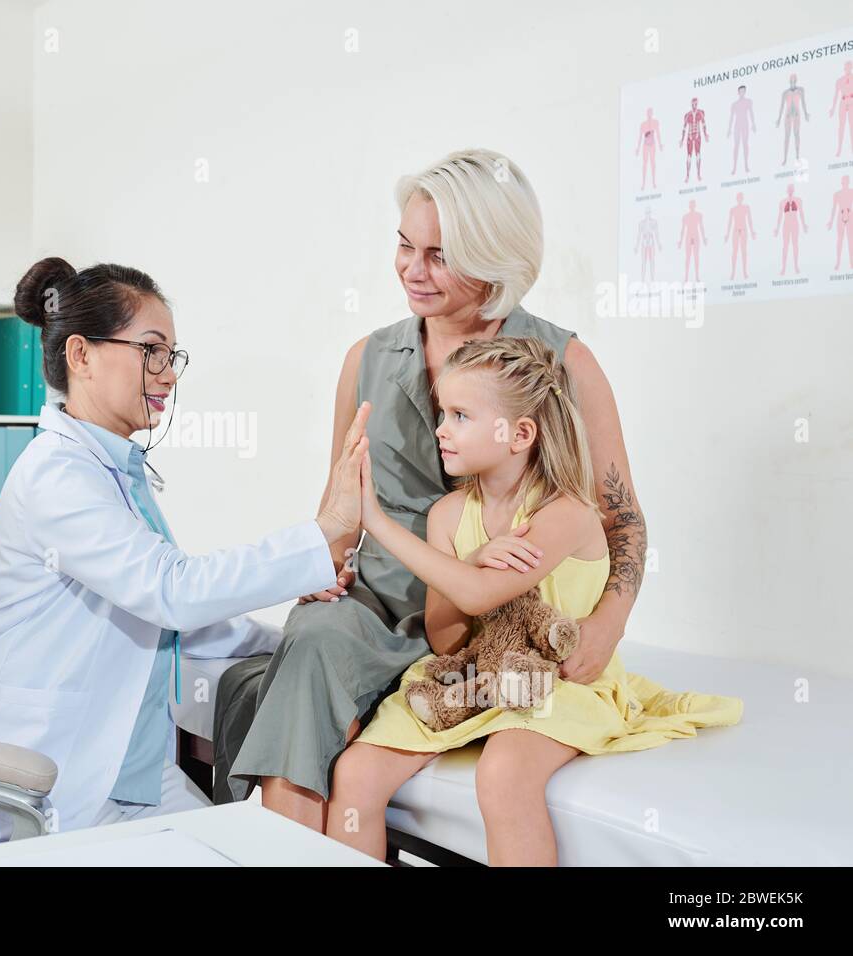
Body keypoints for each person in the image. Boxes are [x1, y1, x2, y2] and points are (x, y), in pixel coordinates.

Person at [220, 148, 651, 837]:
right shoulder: (365, 359)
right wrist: (322, 562)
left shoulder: (564, 363)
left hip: (507, 627)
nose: (411, 271)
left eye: (439, 256)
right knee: (311, 644)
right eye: (404, 246)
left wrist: (607, 625)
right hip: (384, 608)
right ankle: (288, 853)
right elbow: (341, 504)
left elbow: (622, 519)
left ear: (497, 259)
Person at [0, 256, 371, 843]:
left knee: (266, 848)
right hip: (39, 776)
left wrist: (296, 642)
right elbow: (173, 592)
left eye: (172, 356)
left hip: (128, 771)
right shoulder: (58, 477)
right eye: (151, 351)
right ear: (81, 355)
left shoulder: (116, 471)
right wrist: (324, 533)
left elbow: (178, 622)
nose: (168, 373)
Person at [325, 337, 744, 864]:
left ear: (519, 434)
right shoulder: (448, 517)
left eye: (459, 415)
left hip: (559, 682)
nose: (441, 430)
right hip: (477, 678)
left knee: (503, 773)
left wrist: (377, 521)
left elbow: (483, 594)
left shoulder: (565, 512)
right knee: (355, 773)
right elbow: (446, 636)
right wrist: (470, 558)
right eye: (442, 413)